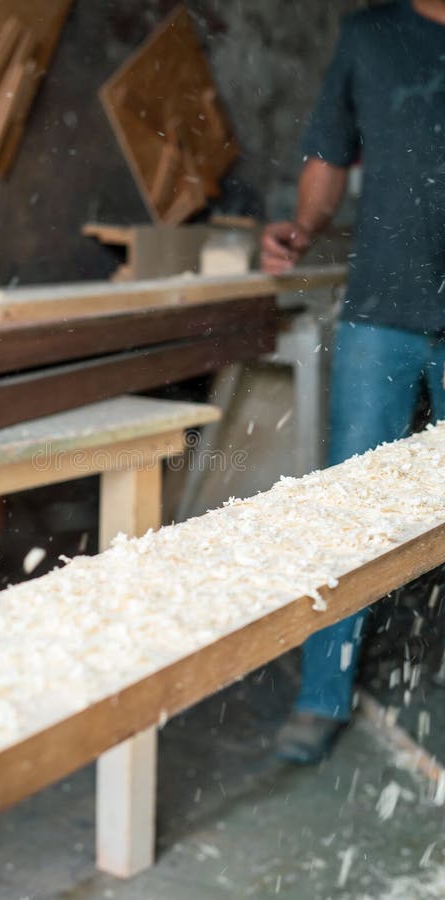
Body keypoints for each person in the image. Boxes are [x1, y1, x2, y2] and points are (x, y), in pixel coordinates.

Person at [261, 0, 445, 764]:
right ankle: (321, 695)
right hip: (383, 308)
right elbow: (328, 153)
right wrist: (303, 227)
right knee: (348, 508)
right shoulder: (370, 36)